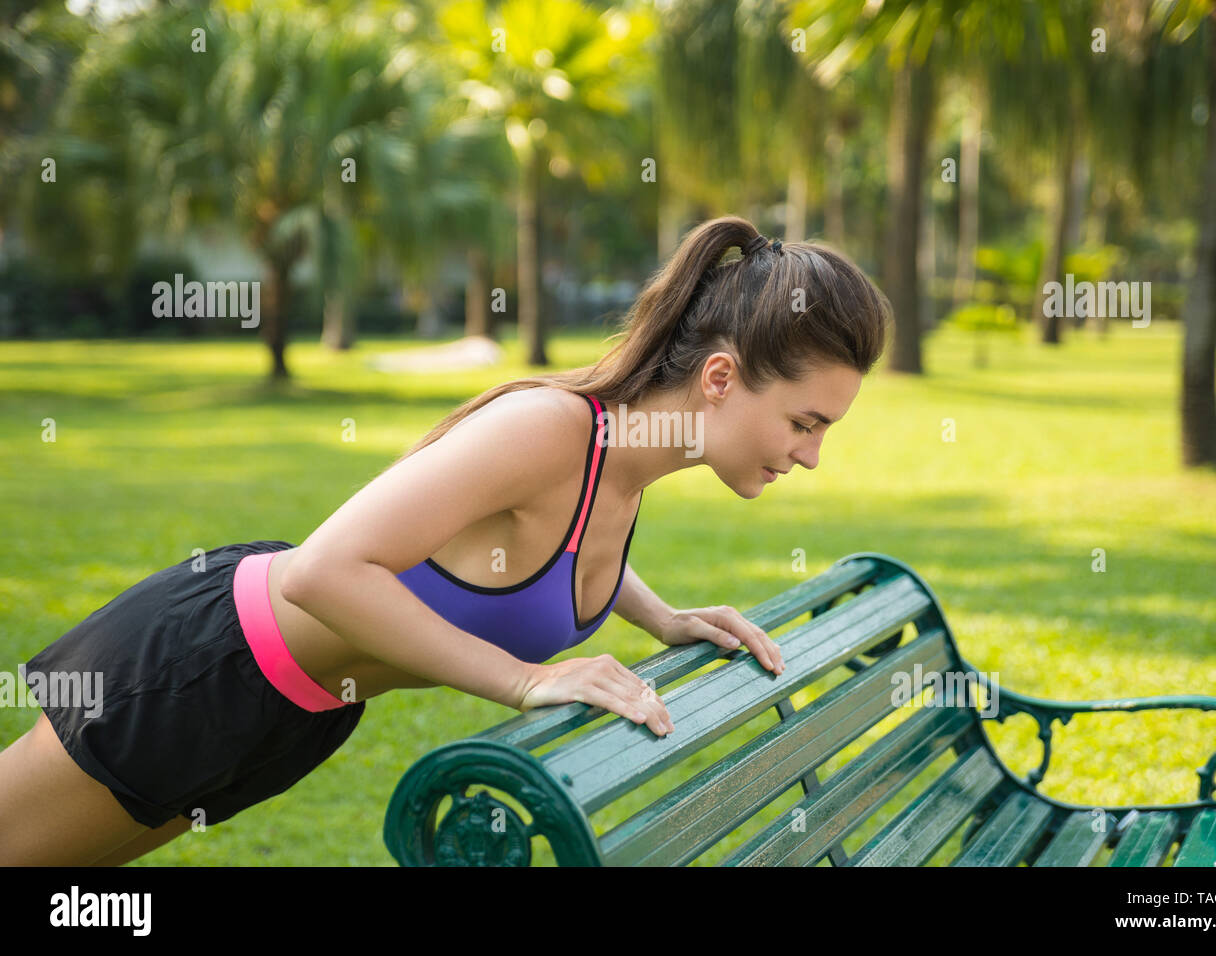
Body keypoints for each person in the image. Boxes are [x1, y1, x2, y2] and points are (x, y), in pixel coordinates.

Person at [0, 215, 891, 866]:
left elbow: (560, 546)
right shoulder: (550, 431)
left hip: (301, 714)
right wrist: (526, 680)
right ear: (722, 377)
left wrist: (659, 616)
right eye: (804, 423)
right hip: (203, 669)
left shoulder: (627, 467)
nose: (810, 457)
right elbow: (324, 570)